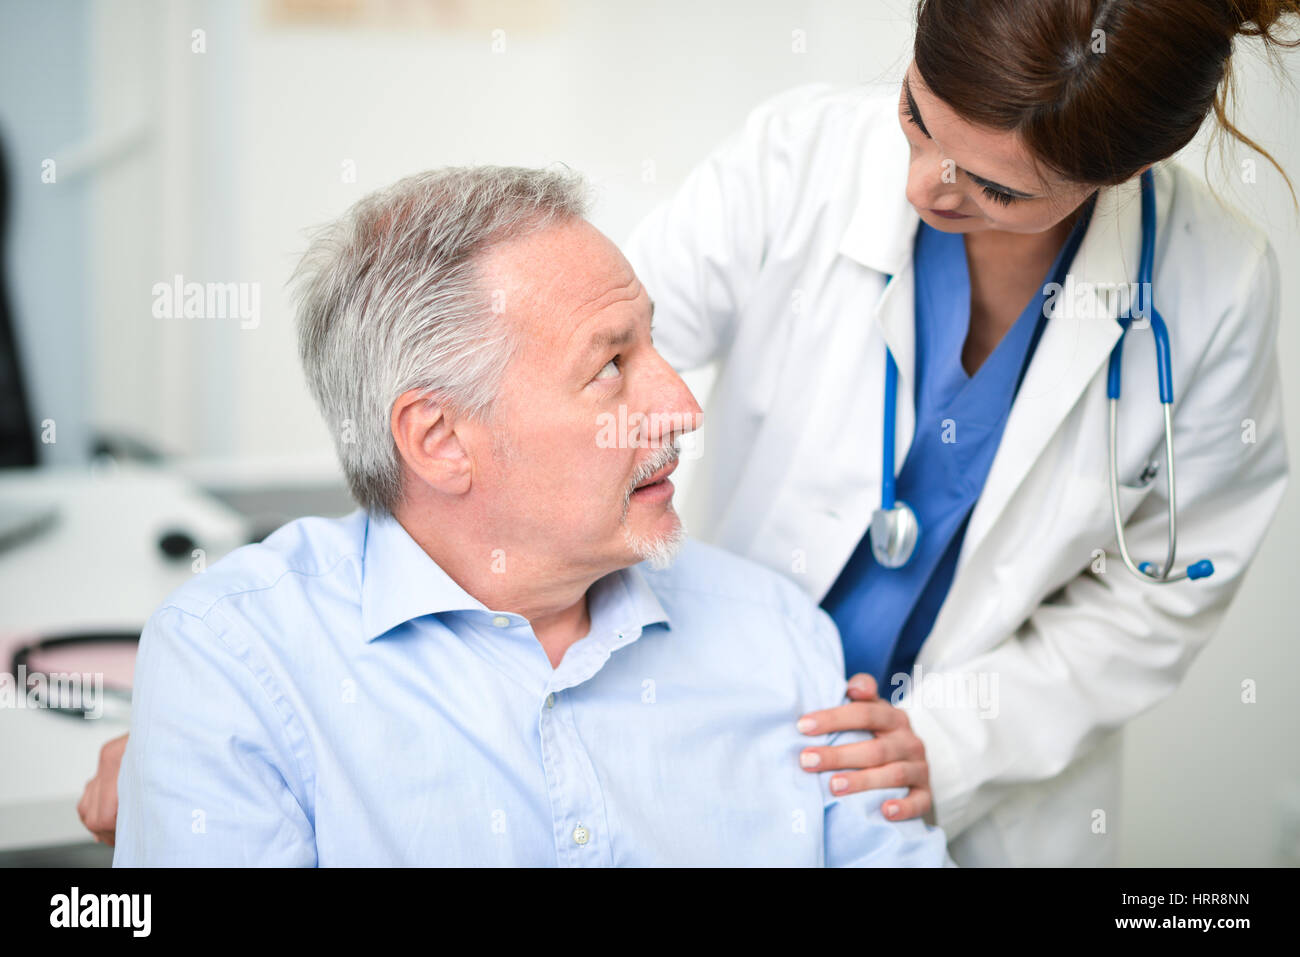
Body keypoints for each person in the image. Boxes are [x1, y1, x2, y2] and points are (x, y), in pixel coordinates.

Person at [110, 166, 952, 867]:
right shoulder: (236, 664)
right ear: (440, 439)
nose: (680, 406)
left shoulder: (780, 637)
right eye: (611, 367)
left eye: (653, 345)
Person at [621, 0, 1295, 865]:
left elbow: (1168, 587)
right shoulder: (797, 159)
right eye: (916, 115)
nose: (921, 186)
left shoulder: (1215, 283)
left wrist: (953, 740)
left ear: (1128, 168)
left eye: (999, 189)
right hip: (723, 721)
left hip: (974, 790)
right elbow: (611, 366)